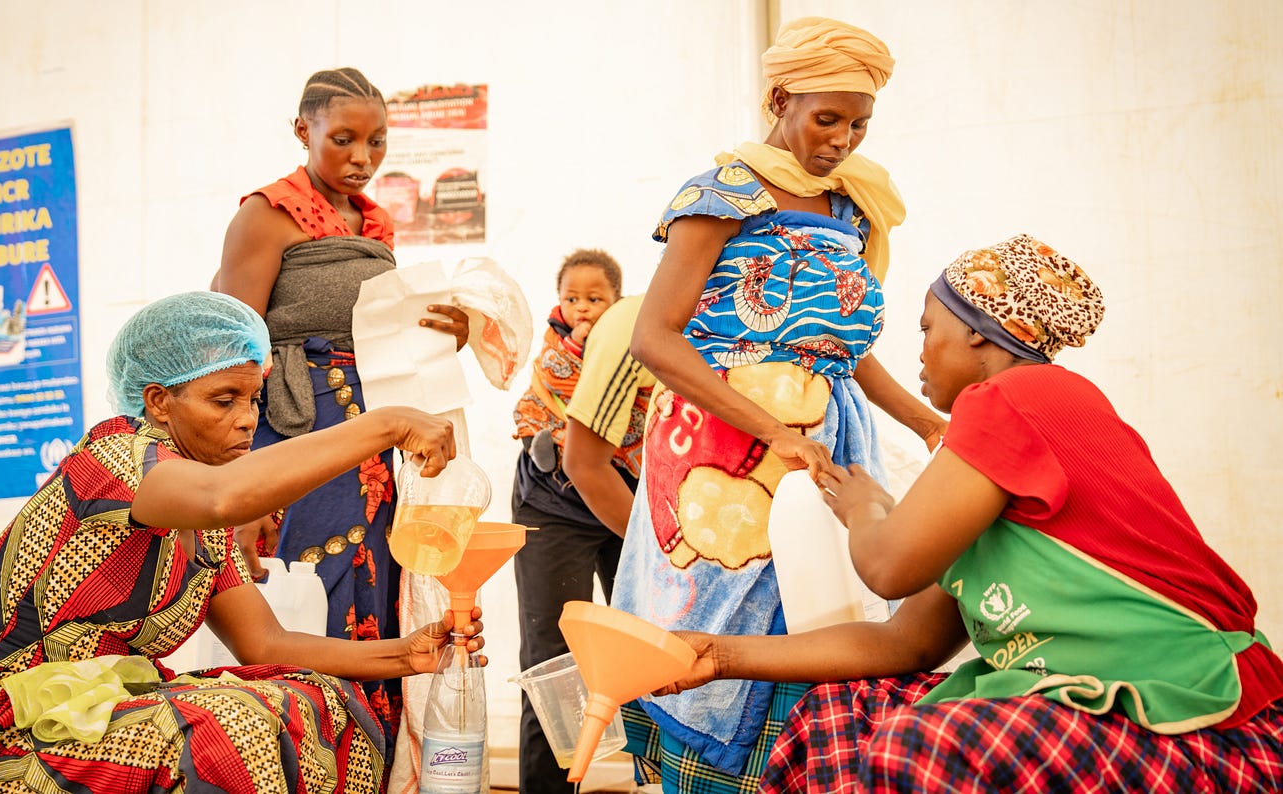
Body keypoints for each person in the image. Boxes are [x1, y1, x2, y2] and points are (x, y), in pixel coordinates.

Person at [657, 235, 1283, 792]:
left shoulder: (1018, 395)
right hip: (1131, 696)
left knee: (919, 749)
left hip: (1182, 702)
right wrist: (716, 655)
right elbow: (906, 642)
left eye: (929, 329)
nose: (921, 353)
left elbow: (887, 566)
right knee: (835, 718)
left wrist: (867, 506)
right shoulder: (997, 463)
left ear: (977, 330)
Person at [0, 291, 487, 793]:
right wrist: (385, 425)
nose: (247, 420)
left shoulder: (205, 520)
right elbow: (224, 497)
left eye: (254, 400)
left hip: (100, 705)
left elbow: (265, 644)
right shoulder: (114, 459)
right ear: (157, 402)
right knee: (230, 725)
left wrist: (404, 653)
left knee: (325, 700)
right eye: (224, 401)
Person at [612, 16, 946, 788]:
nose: (842, 140)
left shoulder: (851, 210)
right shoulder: (718, 194)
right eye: (827, 118)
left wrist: (926, 423)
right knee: (721, 618)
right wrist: (772, 431)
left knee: (821, 610)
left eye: (859, 124)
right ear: (778, 98)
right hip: (722, 442)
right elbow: (656, 339)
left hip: (825, 438)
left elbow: (845, 350)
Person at [212, 67, 469, 730]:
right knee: (313, 583)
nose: (363, 158)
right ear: (303, 130)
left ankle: (371, 754)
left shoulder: (373, 226)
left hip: (375, 432)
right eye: (344, 140)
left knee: (379, 585)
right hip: (298, 429)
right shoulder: (264, 216)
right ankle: (311, 745)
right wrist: (236, 482)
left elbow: (379, 332)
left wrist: (450, 334)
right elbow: (231, 341)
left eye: (378, 142)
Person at [511, 251, 655, 793]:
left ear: (618, 301)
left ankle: (655, 780)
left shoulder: (643, 334)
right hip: (555, 504)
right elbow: (546, 388)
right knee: (554, 662)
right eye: (573, 298)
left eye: (596, 299)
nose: (582, 308)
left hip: (629, 494)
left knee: (649, 648)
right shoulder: (557, 341)